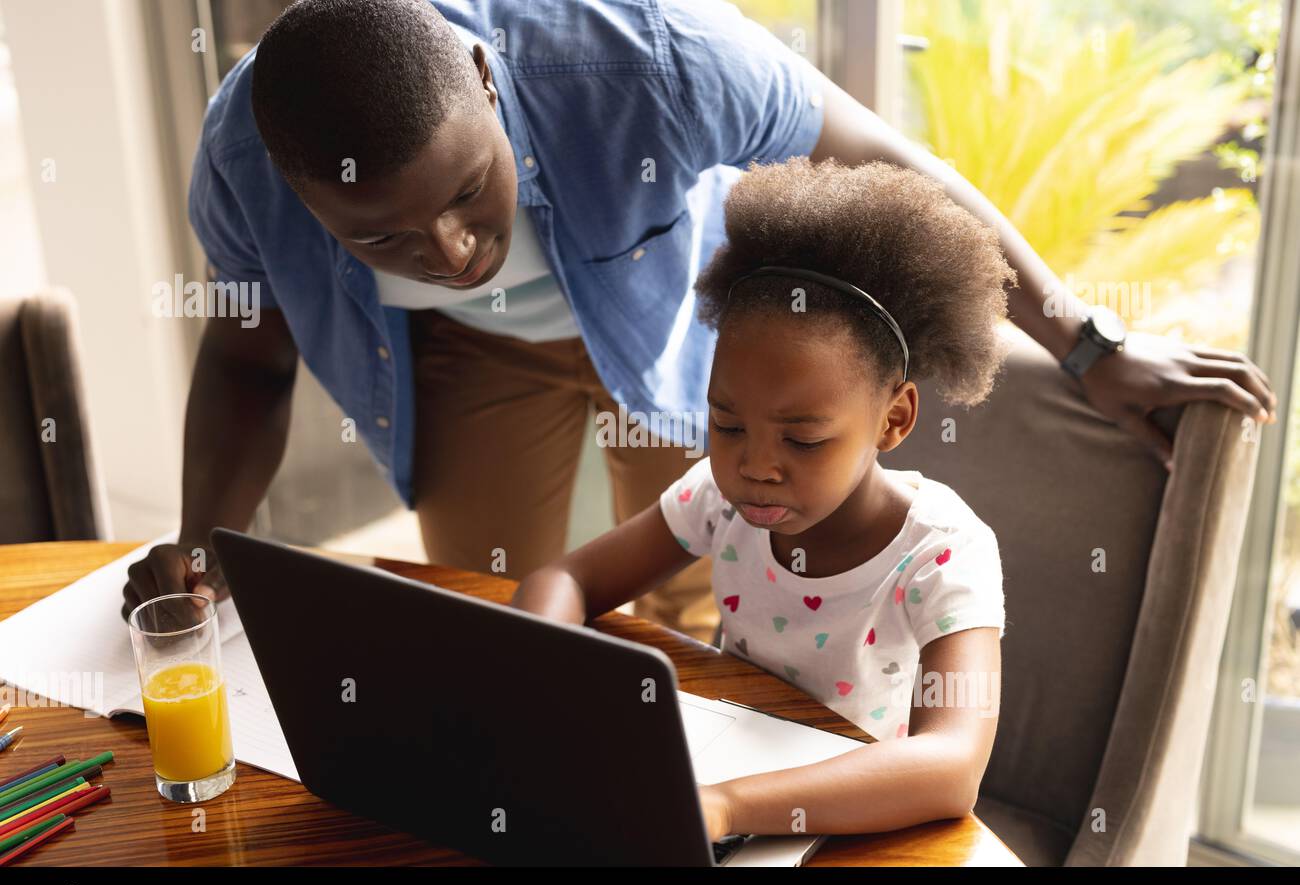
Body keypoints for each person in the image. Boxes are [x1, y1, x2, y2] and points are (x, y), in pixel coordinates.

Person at [122, 0, 1276, 644]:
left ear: (484, 76)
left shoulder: (645, 56)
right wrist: (199, 543)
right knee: (495, 613)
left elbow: (895, 166)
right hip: (456, 367)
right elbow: (246, 358)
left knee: (702, 602)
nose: (454, 253)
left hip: (664, 312)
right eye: (382, 239)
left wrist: (1088, 343)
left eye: (469, 196)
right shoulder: (240, 160)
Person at [511, 155, 1014, 840]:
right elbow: (566, 577)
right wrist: (532, 667)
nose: (754, 466)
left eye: (803, 441)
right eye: (727, 424)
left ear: (893, 419)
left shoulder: (944, 552)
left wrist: (728, 806)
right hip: (725, 776)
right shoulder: (719, 499)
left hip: (860, 822)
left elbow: (952, 766)